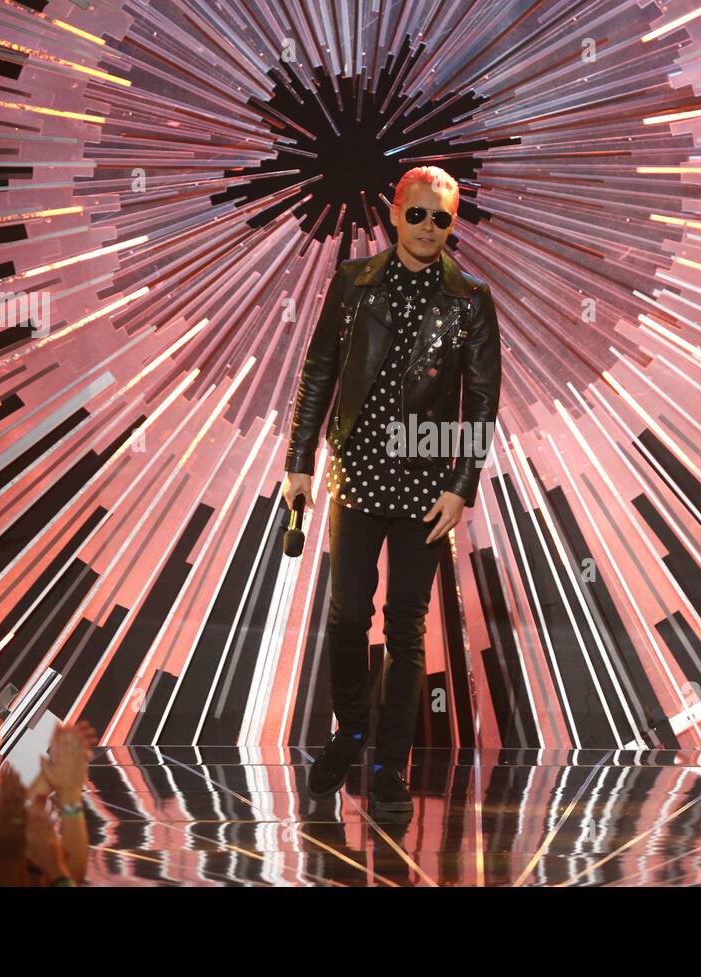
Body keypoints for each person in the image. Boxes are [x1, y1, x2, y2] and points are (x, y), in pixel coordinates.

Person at [281, 165, 502, 819]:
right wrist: (299, 460)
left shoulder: (470, 300)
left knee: (406, 630)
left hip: (427, 487)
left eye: (443, 218)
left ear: (451, 225)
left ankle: (388, 767)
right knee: (348, 615)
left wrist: (463, 484)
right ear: (396, 214)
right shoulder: (353, 285)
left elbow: (482, 403)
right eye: (419, 214)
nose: (430, 228)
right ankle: (350, 732)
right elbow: (318, 368)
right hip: (357, 472)